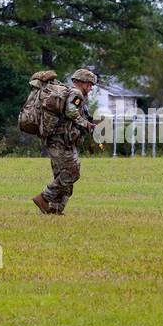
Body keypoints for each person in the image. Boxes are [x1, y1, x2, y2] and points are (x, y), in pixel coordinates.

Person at [32, 68, 97, 215]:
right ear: (80, 82)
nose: (91, 88)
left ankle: (55, 210)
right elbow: (71, 111)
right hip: (61, 140)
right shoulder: (77, 94)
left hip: (60, 139)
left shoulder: (71, 93)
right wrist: (86, 124)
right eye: (89, 84)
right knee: (72, 173)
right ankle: (43, 197)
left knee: (62, 175)